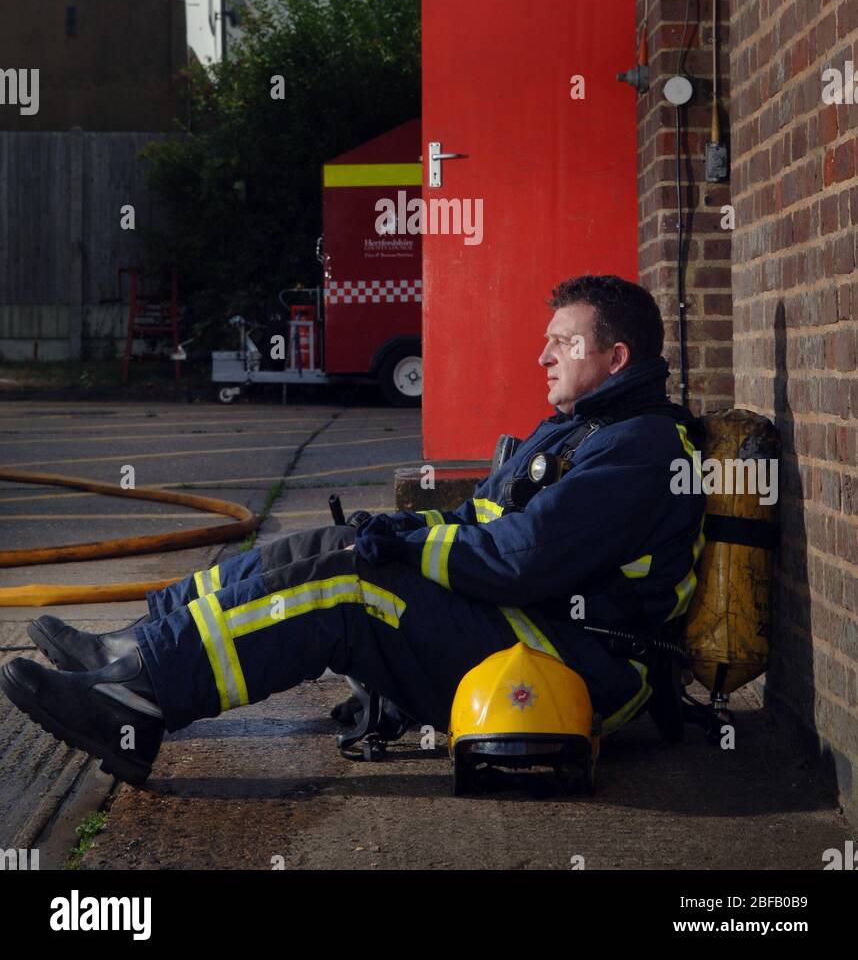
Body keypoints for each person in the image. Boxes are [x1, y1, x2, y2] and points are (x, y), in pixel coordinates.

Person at [0, 274, 706, 787]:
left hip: (577, 665)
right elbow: (477, 523)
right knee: (328, 546)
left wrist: (405, 547)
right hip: (527, 629)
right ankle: (135, 646)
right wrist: (393, 527)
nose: (542, 357)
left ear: (616, 359)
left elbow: (523, 560)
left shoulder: (641, 449)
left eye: (562, 342)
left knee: (346, 591)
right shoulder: (584, 431)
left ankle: (135, 701)